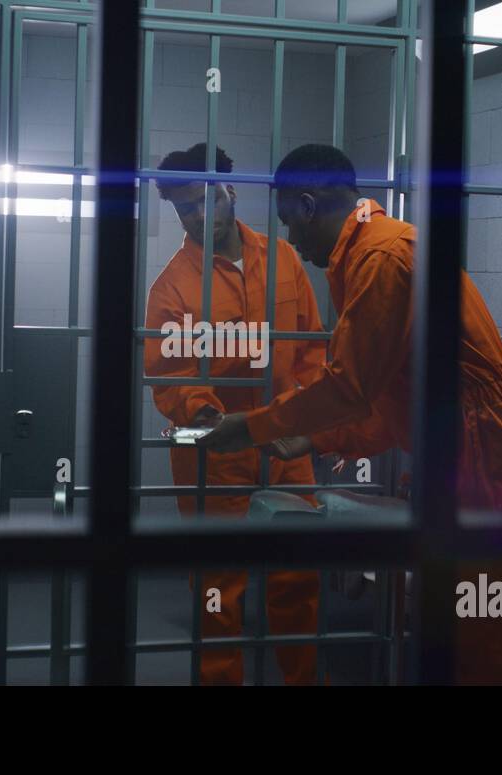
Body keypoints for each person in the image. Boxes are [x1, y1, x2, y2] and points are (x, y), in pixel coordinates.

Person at [197, 143, 502, 685]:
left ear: (309, 205)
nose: (290, 237)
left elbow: (350, 387)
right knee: (457, 620)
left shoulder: (379, 258)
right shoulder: (371, 254)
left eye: (291, 221)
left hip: (485, 448)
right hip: (466, 442)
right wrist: (315, 442)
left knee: (486, 629)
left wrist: (253, 425)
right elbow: (392, 402)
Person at [144, 143, 327, 685]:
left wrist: (309, 421)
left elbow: (313, 349)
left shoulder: (286, 259)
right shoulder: (170, 289)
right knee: (219, 592)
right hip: (216, 452)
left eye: (204, 200)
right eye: (184, 209)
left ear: (229, 190)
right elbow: (170, 379)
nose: (198, 216)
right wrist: (209, 416)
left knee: (296, 580)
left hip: (285, 443)